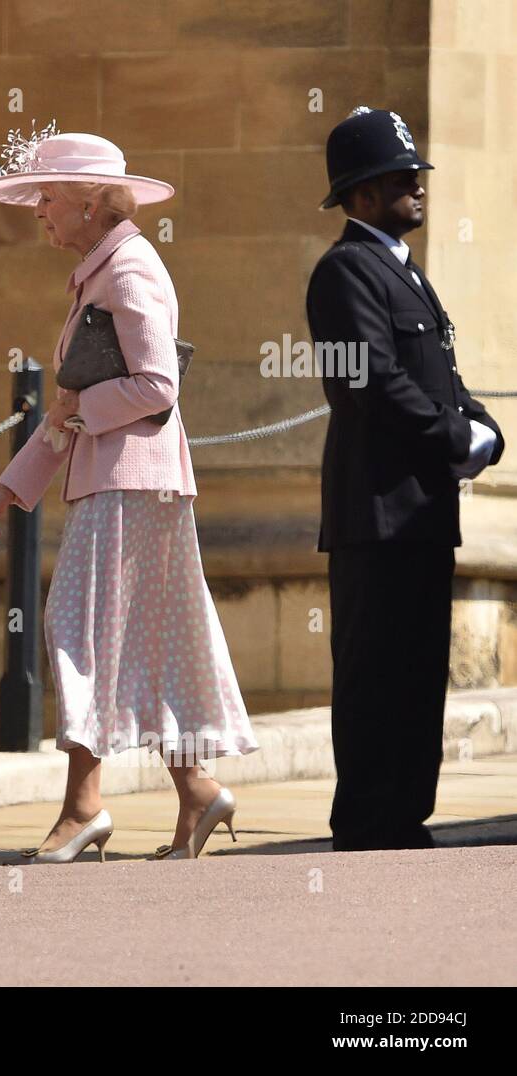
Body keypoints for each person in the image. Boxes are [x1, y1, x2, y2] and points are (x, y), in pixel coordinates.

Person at [0, 130, 258, 862]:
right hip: (130, 481)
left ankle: (84, 807)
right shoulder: (108, 269)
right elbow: (77, 402)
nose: (39, 210)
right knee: (144, 640)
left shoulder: (127, 269)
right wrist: (12, 486)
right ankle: (196, 791)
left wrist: (78, 415)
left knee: (81, 632)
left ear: (91, 203)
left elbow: (157, 386)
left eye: (49, 196)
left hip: (131, 483)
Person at [307, 107, 503, 851]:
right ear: (359, 195)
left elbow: (439, 374)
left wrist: (484, 427)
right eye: (399, 177)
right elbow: (374, 386)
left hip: (420, 512)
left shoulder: (402, 271)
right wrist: (457, 439)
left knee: (420, 675)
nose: (416, 186)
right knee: (373, 674)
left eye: (415, 174)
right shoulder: (346, 271)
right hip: (376, 510)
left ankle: (405, 815)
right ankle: (367, 821)